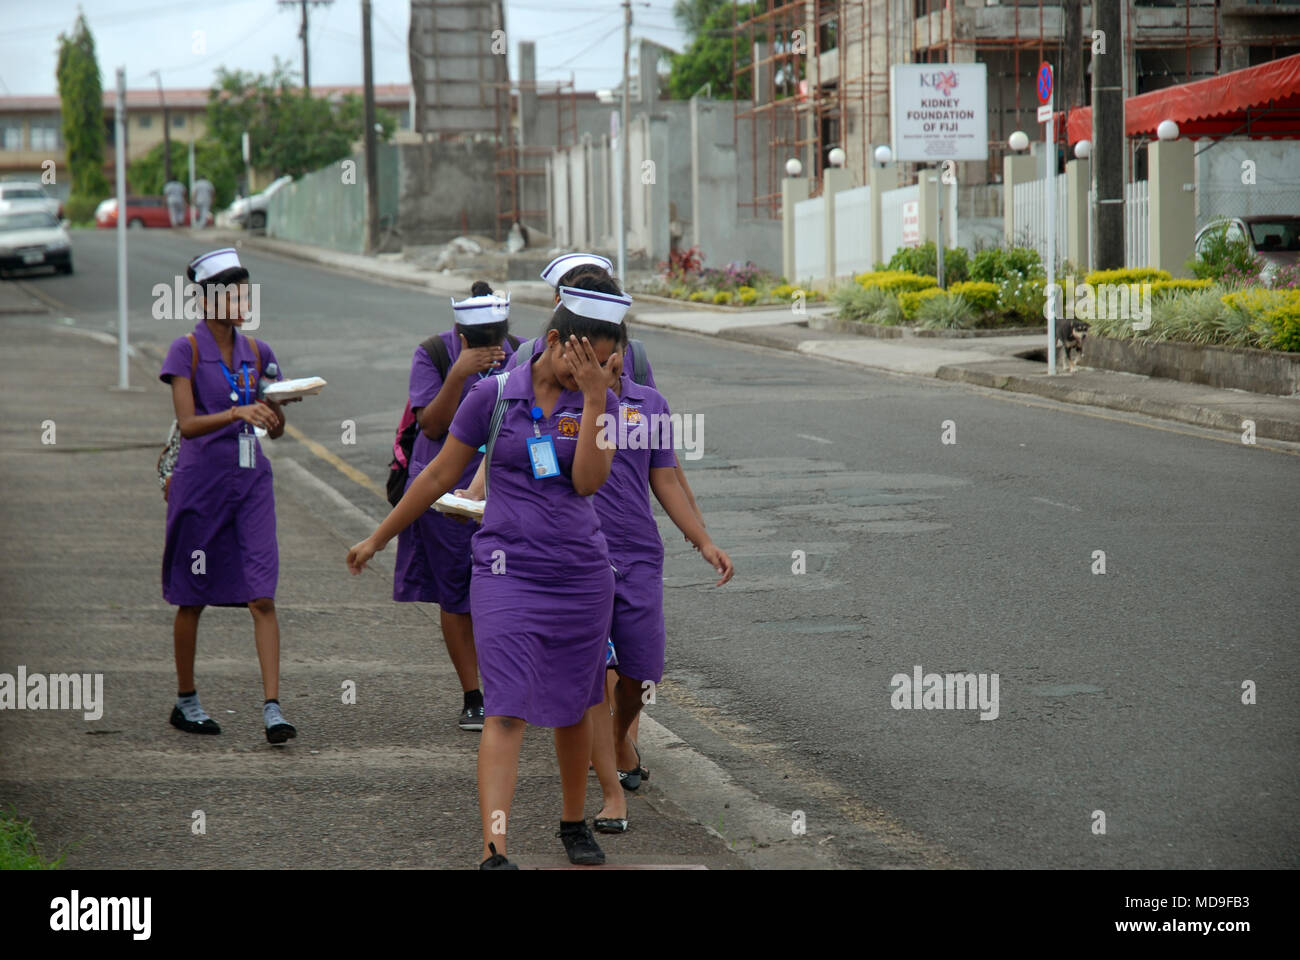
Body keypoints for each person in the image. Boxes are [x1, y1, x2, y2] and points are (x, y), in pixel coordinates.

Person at [348, 284, 627, 869]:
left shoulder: (599, 402)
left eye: (606, 362)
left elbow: (587, 483)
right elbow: (436, 475)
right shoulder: (493, 397)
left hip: (579, 575)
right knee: (505, 709)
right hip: (506, 573)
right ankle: (494, 848)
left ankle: (573, 821)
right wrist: (379, 536)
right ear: (554, 342)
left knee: (575, 705)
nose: (600, 371)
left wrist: (599, 400)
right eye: (591, 360)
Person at [585, 335, 734, 831]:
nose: (604, 362)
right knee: (590, 668)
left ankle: (615, 735)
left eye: (612, 352)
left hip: (638, 555)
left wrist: (704, 542)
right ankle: (610, 782)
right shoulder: (565, 401)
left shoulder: (649, 405)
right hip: (581, 554)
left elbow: (665, 479)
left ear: (624, 352)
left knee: (645, 671)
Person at [159, 247, 299, 744]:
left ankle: (273, 708)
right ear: (207, 299)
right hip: (201, 487)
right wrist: (238, 414)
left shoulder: (260, 353)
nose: (242, 300)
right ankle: (186, 700)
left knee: (262, 594)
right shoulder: (185, 351)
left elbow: (275, 432)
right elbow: (188, 424)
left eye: (244, 290)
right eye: (232, 292)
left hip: (251, 484)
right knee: (190, 595)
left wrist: (276, 412)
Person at [392, 282, 515, 731]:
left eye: (496, 342)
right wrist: (460, 373)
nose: (491, 351)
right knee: (454, 594)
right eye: (479, 344)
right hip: (444, 496)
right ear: (461, 336)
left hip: (505, 493)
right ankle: (473, 694)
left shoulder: (520, 355)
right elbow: (432, 425)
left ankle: (508, 688)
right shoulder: (434, 354)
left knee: (503, 591)